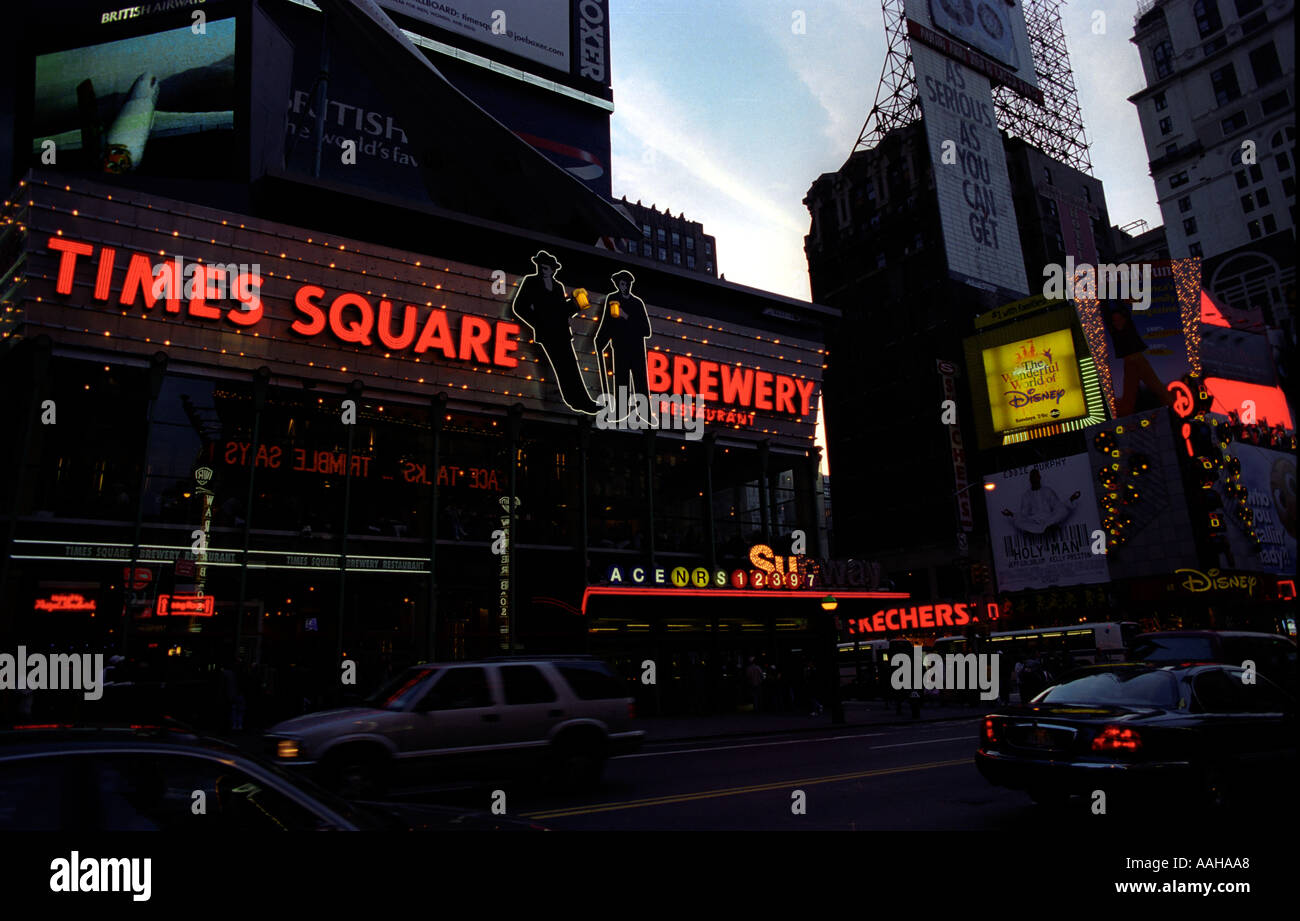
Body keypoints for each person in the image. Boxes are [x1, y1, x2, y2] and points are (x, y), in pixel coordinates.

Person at [511, 251, 602, 413]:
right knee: (562, 367)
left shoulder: (558, 286)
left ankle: (582, 401)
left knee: (570, 367)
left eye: (548, 267)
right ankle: (574, 400)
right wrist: (537, 323)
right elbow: (519, 307)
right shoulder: (531, 281)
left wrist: (575, 305)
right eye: (542, 266)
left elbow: (562, 311)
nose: (545, 269)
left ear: (553, 269)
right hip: (547, 333)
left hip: (562, 332)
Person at [593, 270, 654, 422]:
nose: (624, 287)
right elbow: (607, 323)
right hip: (620, 348)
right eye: (621, 284)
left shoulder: (637, 303)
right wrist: (600, 340)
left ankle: (645, 414)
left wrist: (625, 316)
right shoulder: (612, 300)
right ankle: (621, 413)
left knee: (640, 380)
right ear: (617, 284)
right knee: (621, 380)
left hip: (637, 349)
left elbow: (646, 330)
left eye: (626, 284)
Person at [1001, 467, 1081, 534]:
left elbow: (1057, 506)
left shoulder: (1047, 491)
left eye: (1036, 477)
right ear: (1030, 479)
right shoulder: (1026, 495)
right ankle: (1043, 529)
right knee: (1019, 522)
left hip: (1049, 519)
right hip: (1034, 522)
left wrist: (1072, 498)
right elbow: (1024, 514)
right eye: (1033, 477)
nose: (1035, 479)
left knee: (1063, 509)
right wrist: (1011, 514)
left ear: (1039, 478)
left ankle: (1045, 527)